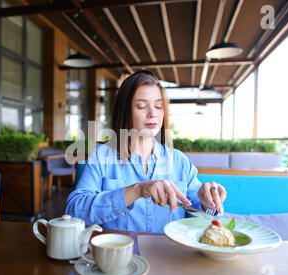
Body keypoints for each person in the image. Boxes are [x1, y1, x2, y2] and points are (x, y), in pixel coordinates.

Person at [65, 70, 227, 233]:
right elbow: (73, 211)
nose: (153, 113)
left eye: (158, 106)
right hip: (121, 256)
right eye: (141, 106)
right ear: (125, 110)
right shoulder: (102, 157)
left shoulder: (179, 161)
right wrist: (136, 190)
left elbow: (205, 219)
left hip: (170, 255)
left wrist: (209, 203)